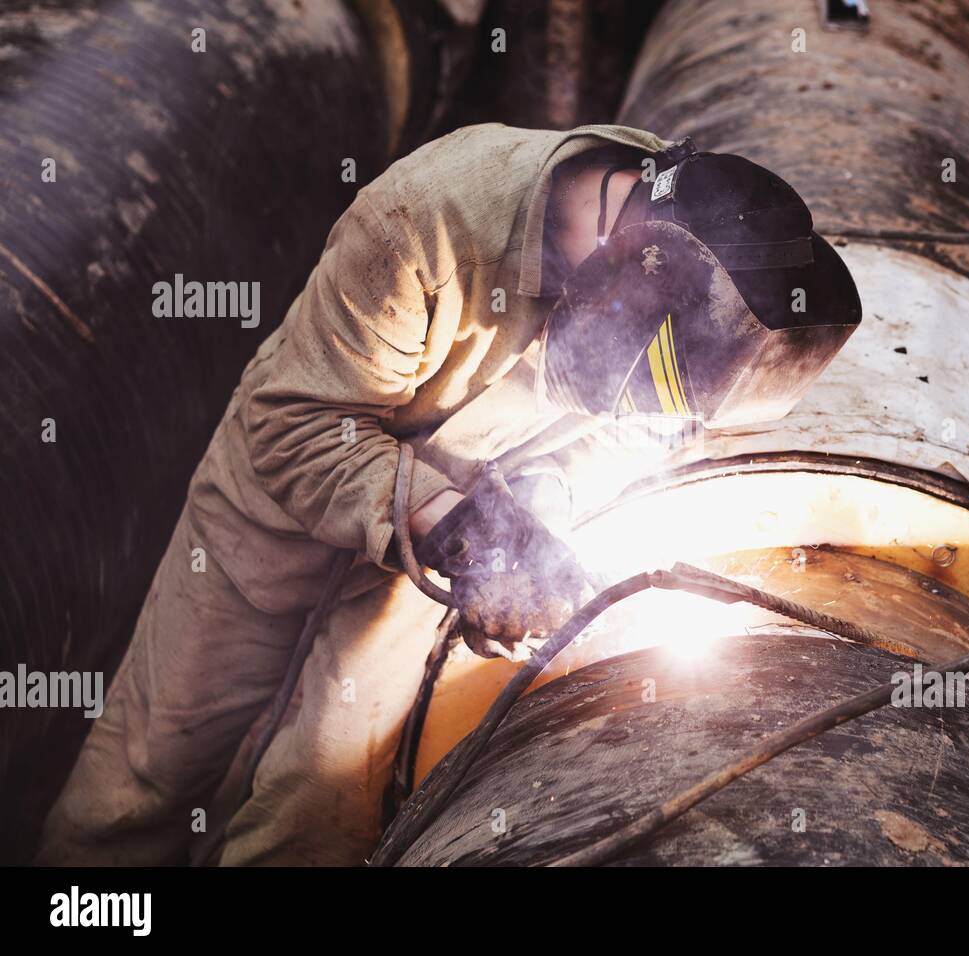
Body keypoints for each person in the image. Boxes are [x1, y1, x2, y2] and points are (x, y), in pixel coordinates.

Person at [37, 123, 862, 866]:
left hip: (419, 566)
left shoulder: (693, 257)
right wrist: (466, 530)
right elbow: (293, 425)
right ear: (628, 280)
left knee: (321, 807)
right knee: (146, 777)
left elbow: (619, 435)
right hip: (278, 510)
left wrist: (529, 522)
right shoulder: (426, 223)